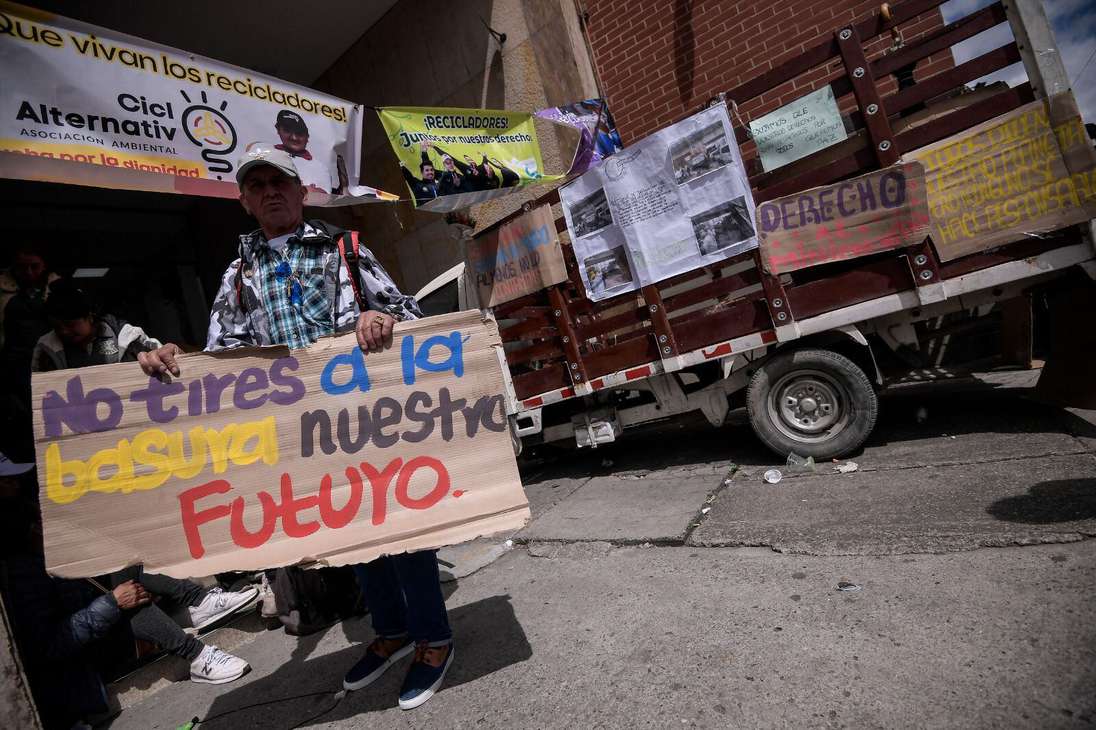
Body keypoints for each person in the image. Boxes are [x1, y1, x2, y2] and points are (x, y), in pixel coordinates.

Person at [138, 143, 454, 710]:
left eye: (279, 181)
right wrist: (169, 359)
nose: (270, 193)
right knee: (354, 536)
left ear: (301, 189)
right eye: (256, 186)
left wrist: (381, 317)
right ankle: (391, 631)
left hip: (371, 419)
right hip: (306, 439)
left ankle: (433, 638)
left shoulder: (345, 248)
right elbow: (220, 358)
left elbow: (410, 314)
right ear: (244, 201)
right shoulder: (239, 273)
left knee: (405, 525)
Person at [30, 279, 160, 372]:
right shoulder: (46, 348)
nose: (63, 331)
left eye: (70, 325)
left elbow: (160, 353)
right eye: (57, 327)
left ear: (90, 317)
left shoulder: (127, 336)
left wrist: (161, 355)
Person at [274, 110, 339, 193]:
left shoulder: (320, 168)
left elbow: (324, 198)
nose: (294, 137)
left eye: (299, 133)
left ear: (307, 137)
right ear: (278, 129)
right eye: (287, 130)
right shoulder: (264, 151)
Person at [399, 141, 440, 206]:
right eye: (427, 170)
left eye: (432, 170)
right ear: (422, 172)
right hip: (428, 213)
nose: (430, 172)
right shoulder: (417, 184)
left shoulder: (439, 184)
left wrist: (424, 151)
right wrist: (402, 167)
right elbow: (409, 177)